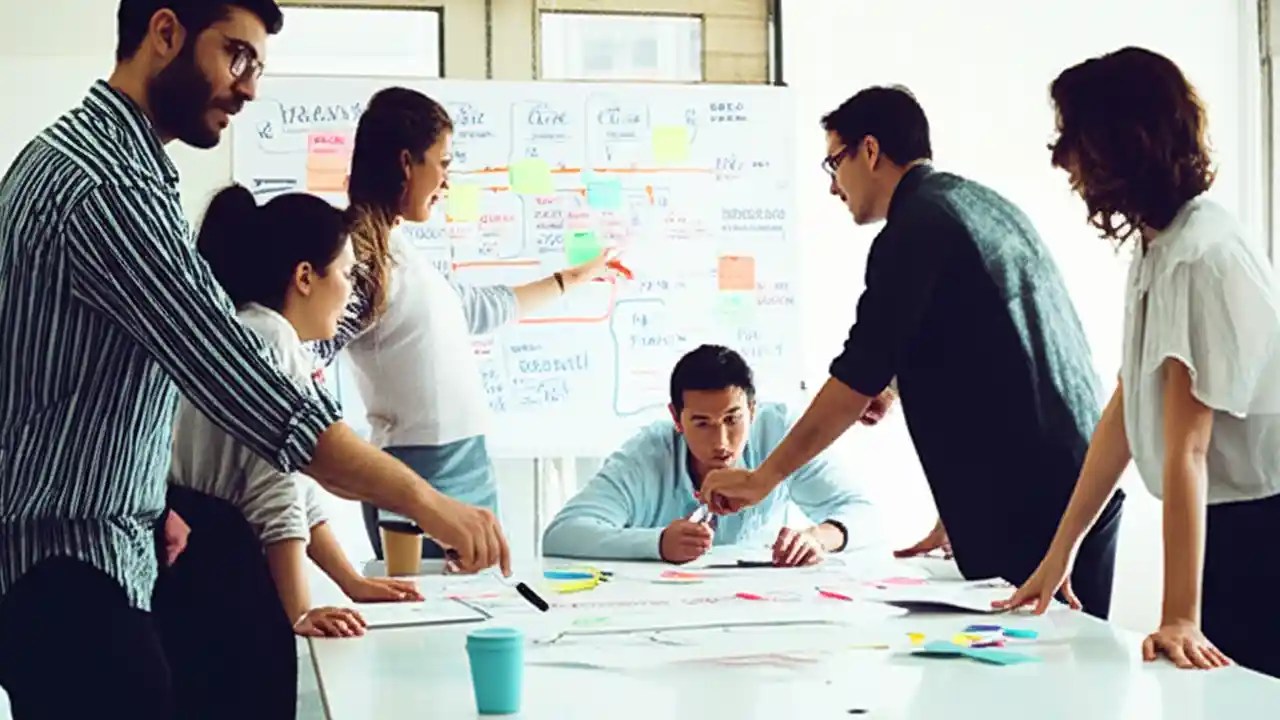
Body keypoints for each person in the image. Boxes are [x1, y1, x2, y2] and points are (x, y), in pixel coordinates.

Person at [0, 3, 507, 718]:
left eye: (258, 66)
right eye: (236, 55)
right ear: (166, 33)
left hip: (78, 559)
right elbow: (256, 395)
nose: (248, 87)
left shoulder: (78, 159)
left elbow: (71, 380)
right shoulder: (107, 186)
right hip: (72, 573)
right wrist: (430, 504)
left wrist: (152, 499)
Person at [698, 86, 1124, 619]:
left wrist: (763, 478)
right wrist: (900, 391)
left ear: (869, 150)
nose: (832, 186)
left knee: (1030, 662)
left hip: (1030, 509)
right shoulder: (981, 206)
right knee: (1069, 658)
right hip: (1082, 486)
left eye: (834, 163)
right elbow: (994, 342)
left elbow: (853, 380)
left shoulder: (914, 229)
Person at [998, 47, 1280, 677]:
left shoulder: (1200, 253)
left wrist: (1179, 614)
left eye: (1072, 139)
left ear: (1118, 143)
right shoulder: (1159, 243)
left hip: (1258, 529)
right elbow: (1129, 406)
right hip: (1230, 524)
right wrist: (1060, 552)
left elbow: (1190, 450)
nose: (1062, 160)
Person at [310, 86, 618, 565]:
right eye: (444, 163)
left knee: (474, 601)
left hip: (466, 464)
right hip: (417, 474)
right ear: (407, 163)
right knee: (429, 606)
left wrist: (573, 279)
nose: (447, 182)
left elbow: (477, 309)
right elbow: (306, 354)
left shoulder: (400, 250)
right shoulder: (360, 258)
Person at [155, 185, 429, 717]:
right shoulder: (270, 339)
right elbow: (273, 489)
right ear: (305, 277)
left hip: (202, 567)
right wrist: (300, 609)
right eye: (346, 274)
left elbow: (299, 488)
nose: (351, 293)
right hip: (227, 574)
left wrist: (351, 581)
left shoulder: (251, 330)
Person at [542, 344, 880, 565]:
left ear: (752, 410)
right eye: (701, 423)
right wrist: (657, 543)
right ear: (676, 418)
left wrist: (818, 538)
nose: (721, 442)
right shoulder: (646, 455)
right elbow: (563, 533)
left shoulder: (782, 433)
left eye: (733, 420)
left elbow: (864, 514)